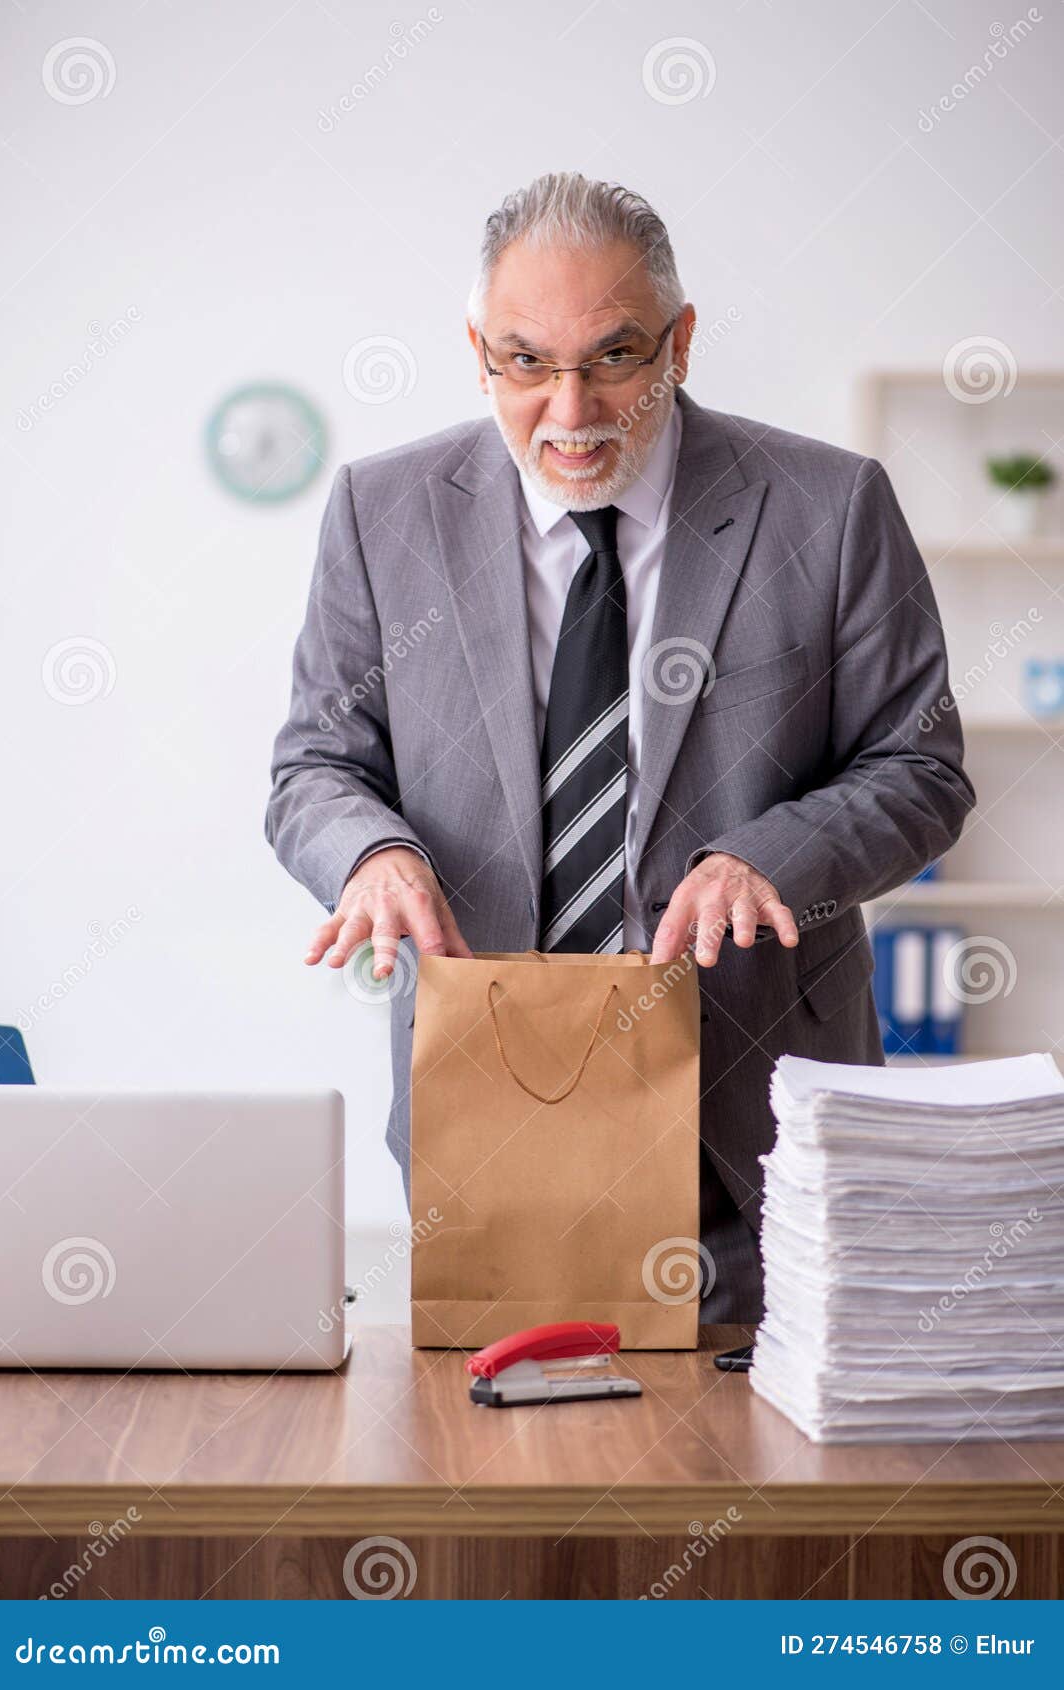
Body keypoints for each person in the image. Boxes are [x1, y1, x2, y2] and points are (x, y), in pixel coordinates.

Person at [265, 172, 975, 1319]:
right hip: (482, 1101)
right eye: (525, 361)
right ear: (478, 352)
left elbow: (922, 769)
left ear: (682, 342)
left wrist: (771, 858)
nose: (571, 408)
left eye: (616, 356)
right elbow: (315, 765)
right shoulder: (381, 513)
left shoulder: (828, 507)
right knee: (493, 1468)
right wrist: (371, 855)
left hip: (757, 1111)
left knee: (758, 1469)